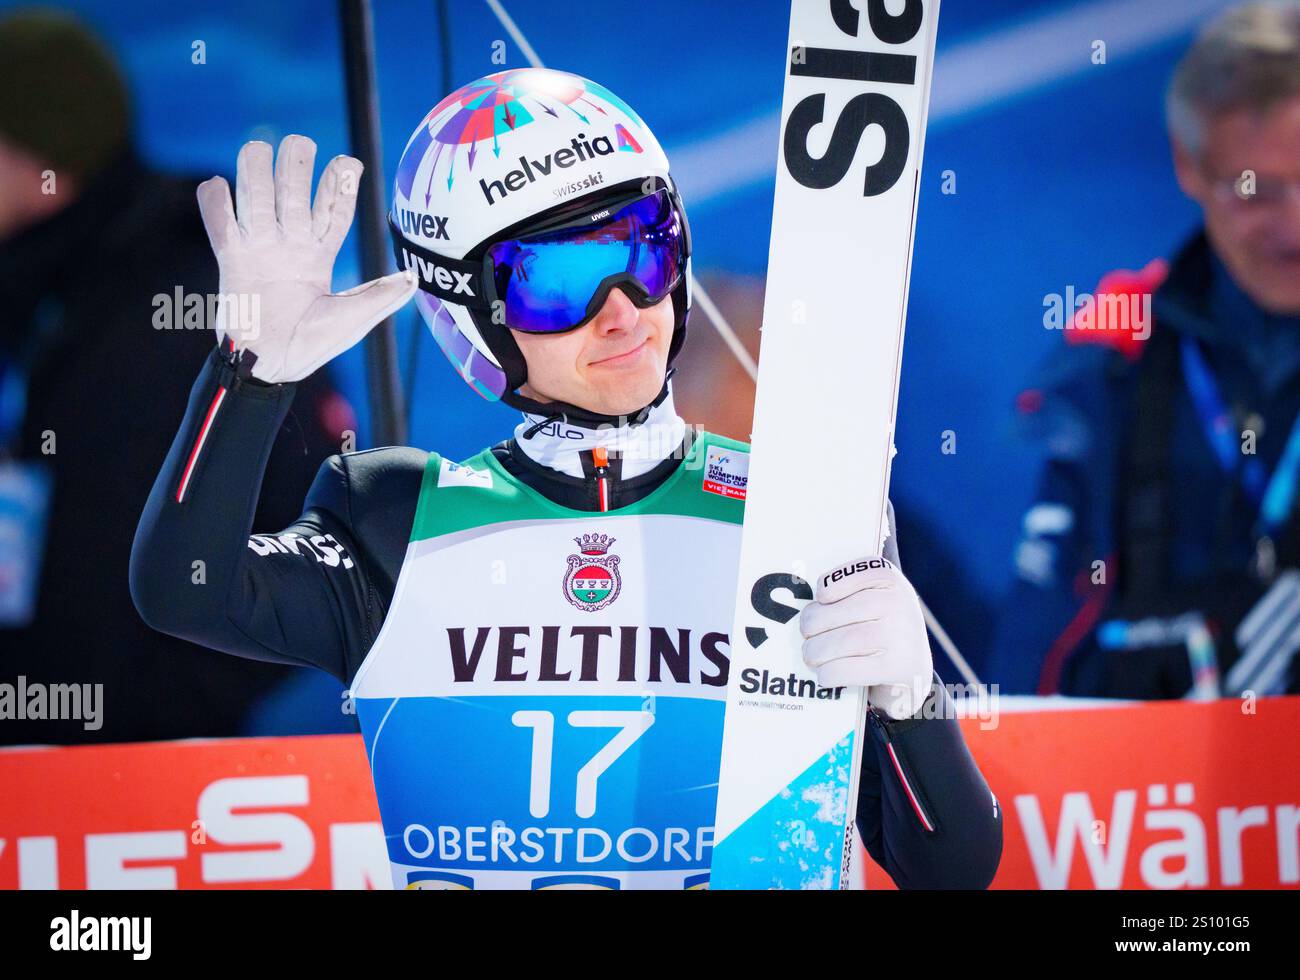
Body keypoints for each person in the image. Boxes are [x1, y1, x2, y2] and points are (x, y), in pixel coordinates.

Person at [131, 68, 1001, 889]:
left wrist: (911, 699)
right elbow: (183, 590)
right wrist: (249, 380)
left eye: (643, 252)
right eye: (561, 281)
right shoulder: (395, 517)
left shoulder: (796, 509)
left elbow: (948, 868)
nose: (622, 311)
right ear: (471, 312)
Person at [0, 8, 349, 745]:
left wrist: (151, 728)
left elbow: (307, 533)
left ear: (43, 163)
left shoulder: (171, 314)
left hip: (146, 791)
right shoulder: (71, 297)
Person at [990, 1, 1300, 699]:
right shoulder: (1112, 364)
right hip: (1179, 805)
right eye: (1258, 192)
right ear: (1189, 165)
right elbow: (1031, 673)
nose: (1295, 226)